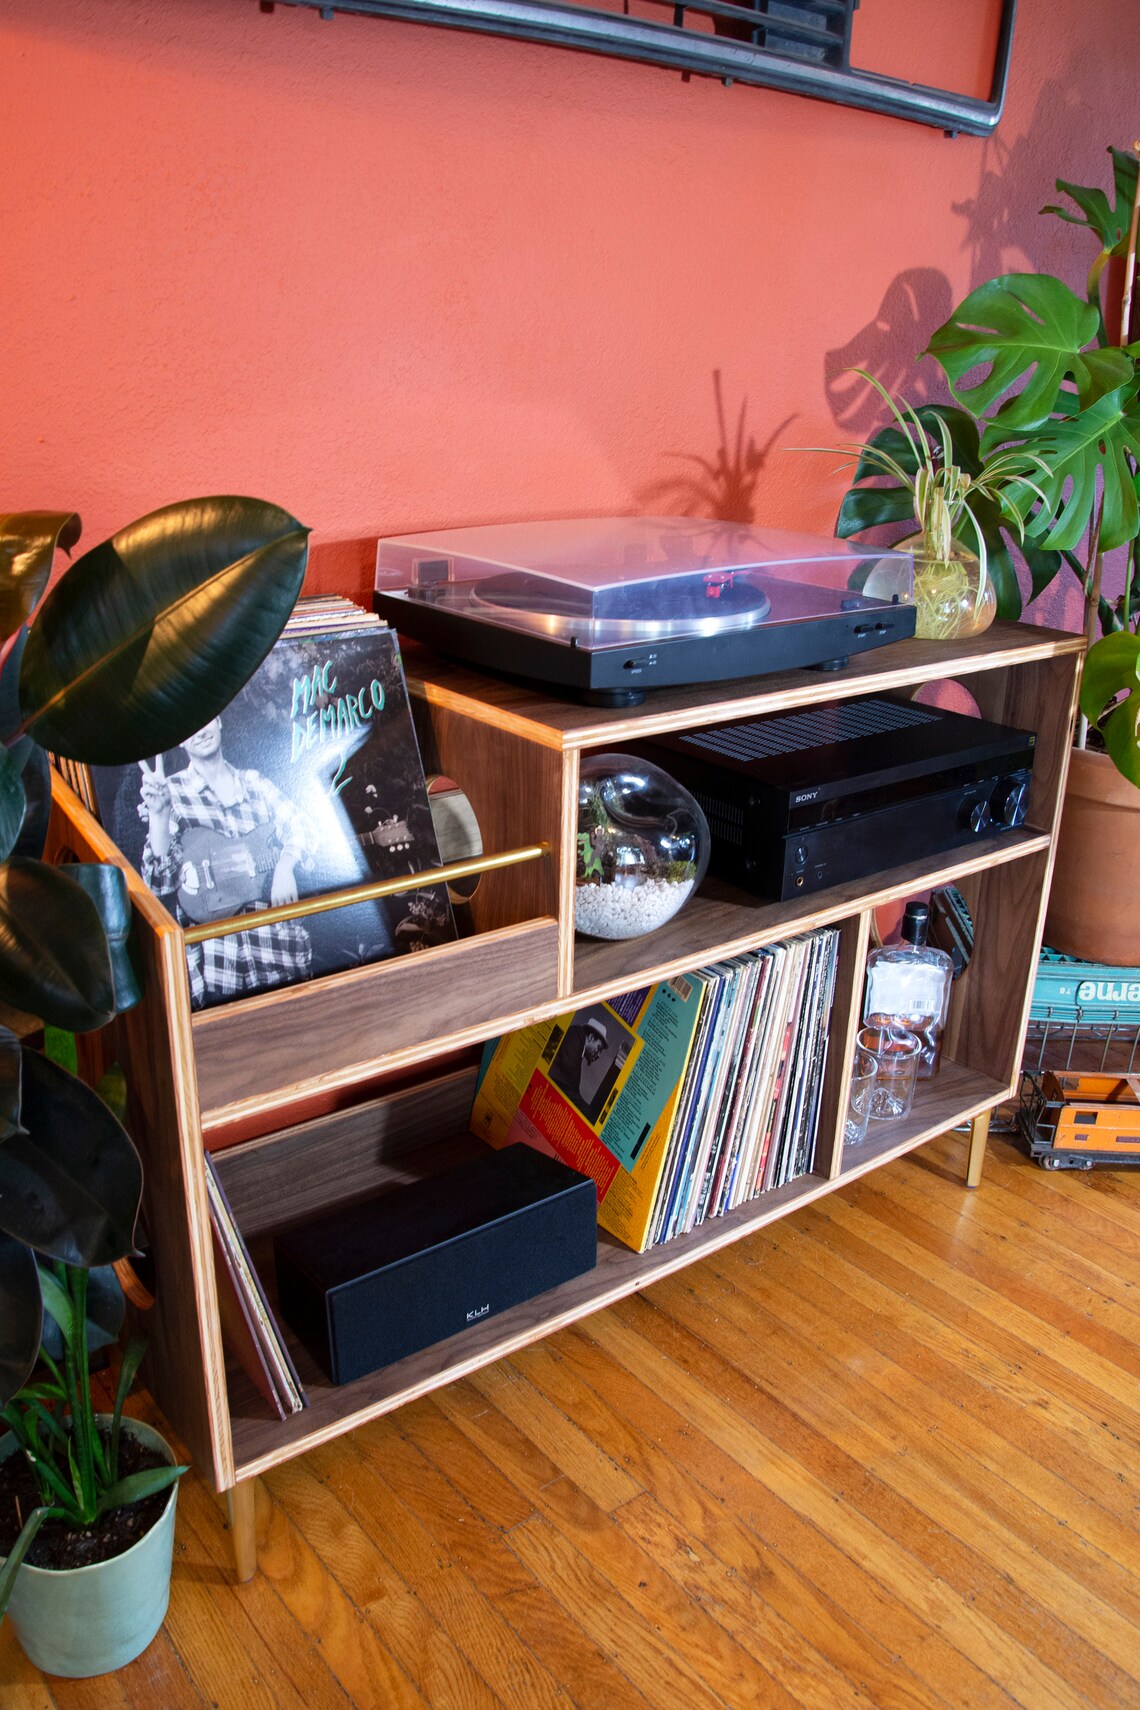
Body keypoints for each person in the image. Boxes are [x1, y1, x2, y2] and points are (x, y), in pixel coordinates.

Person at [139, 716, 318, 1008]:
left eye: (204, 718)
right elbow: (158, 885)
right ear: (180, 740)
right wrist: (159, 816)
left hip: (276, 951)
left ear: (219, 720)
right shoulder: (169, 793)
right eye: (188, 726)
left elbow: (304, 826)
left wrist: (285, 865)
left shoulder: (254, 783)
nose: (200, 731)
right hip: (215, 968)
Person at [549, 1014, 622, 1124]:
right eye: (599, 1048)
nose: (598, 1055)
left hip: (557, 1089)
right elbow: (568, 1073)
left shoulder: (578, 1047)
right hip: (553, 1085)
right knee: (589, 1115)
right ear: (591, 1038)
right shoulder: (576, 1033)